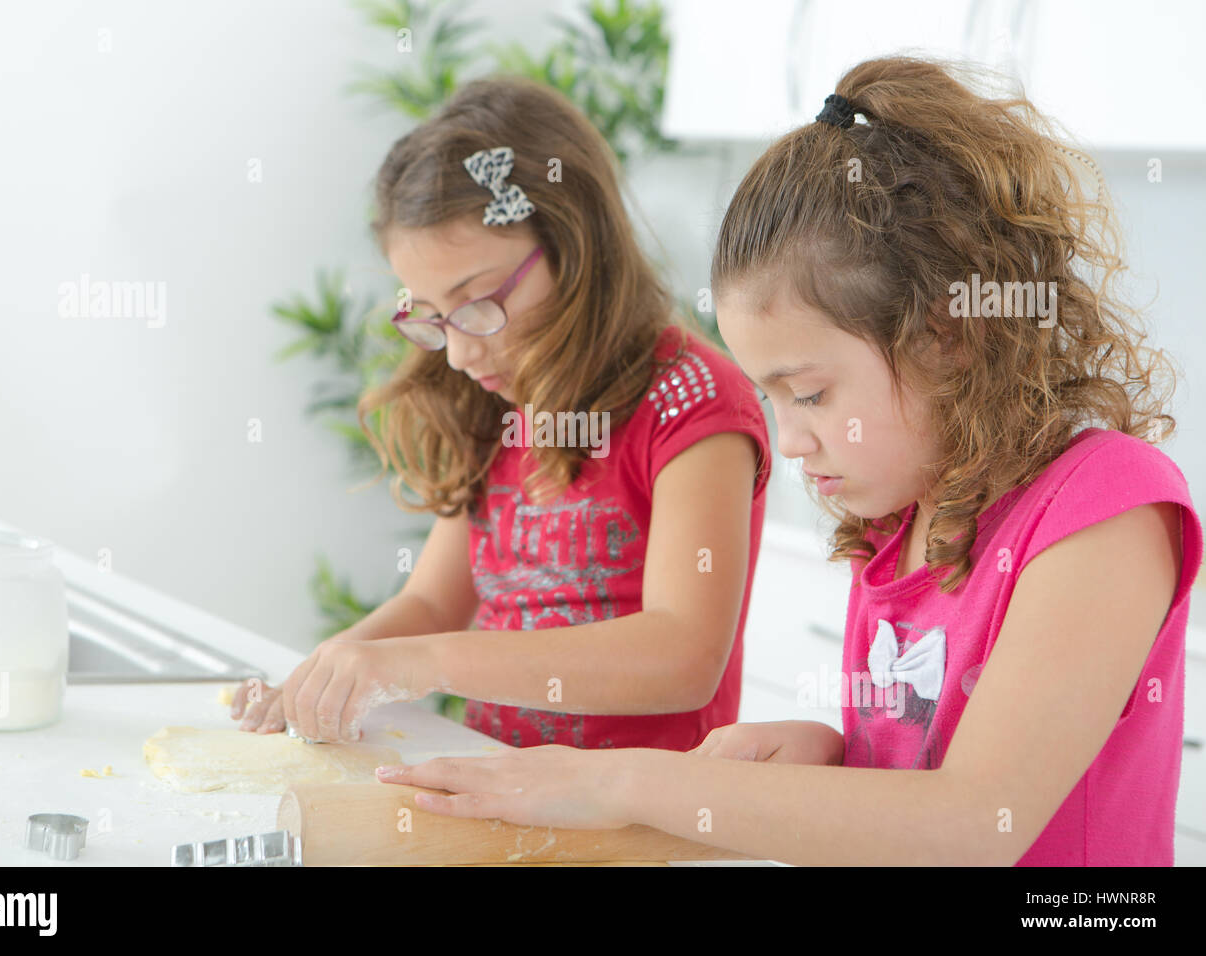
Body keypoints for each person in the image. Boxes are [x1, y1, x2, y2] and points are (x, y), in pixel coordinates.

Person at [378, 56, 1202, 866]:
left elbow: (975, 821)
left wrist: (625, 782)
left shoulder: (1109, 504)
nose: (790, 438)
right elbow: (921, 786)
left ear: (949, 335)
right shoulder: (899, 524)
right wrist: (836, 756)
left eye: (807, 394)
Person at [232, 76, 772, 752]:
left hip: (641, 824)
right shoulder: (495, 400)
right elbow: (433, 603)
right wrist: (325, 672)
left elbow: (681, 655)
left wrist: (423, 663)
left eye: (479, 300)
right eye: (430, 317)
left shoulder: (693, 403)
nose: (458, 352)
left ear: (575, 248)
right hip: (502, 784)